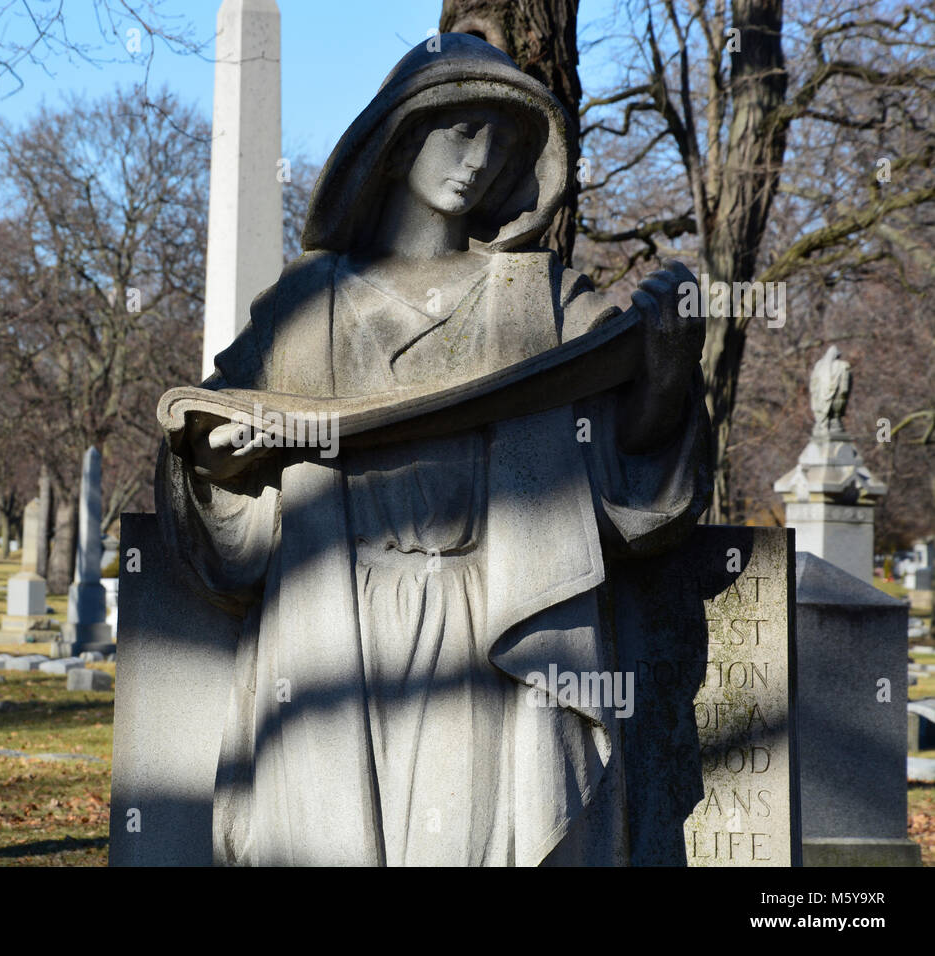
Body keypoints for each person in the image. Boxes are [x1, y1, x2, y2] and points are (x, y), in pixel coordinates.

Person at [157, 33, 710, 866]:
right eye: (460, 131)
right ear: (399, 138)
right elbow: (212, 464)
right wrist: (222, 459)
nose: (480, 161)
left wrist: (666, 375)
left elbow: (631, 481)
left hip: (492, 618)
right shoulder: (308, 307)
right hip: (335, 621)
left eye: (502, 141)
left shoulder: (546, 303)